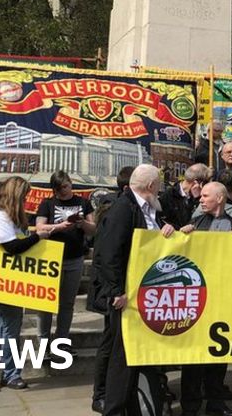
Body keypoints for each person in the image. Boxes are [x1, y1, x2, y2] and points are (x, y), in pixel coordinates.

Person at [0, 177, 70, 392]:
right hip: (4, 280)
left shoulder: (10, 217)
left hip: (13, 280)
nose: (26, 200)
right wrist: (38, 238)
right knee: (7, 329)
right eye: (24, 196)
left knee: (2, 328)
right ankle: (3, 373)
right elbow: (11, 246)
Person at [92, 164, 163, 415]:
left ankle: (133, 407)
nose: (161, 189)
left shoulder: (146, 208)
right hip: (125, 297)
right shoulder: (123, 209)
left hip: (141, 294)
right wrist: (115, 292)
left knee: (132, 358)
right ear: (151, 186)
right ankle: (114, 408)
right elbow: (109, 253)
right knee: (122, 358)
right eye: (159, 184)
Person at [177, 181, 232, 416]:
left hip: (222, 299)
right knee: (193, 357)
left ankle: (216, 403)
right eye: (201, 196)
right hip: (197, 300)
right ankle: (190, 407)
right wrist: (179, 236)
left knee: (218, 354)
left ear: (220, 198)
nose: (201, 199)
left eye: (206, 196)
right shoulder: (194, 224)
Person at [36, 171, 96, 355]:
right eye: (59, 189)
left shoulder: (83, 203)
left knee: (67, 303)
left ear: (70, 184)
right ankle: (43, 341)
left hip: (74, 257)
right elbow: (40, 226)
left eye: (66, 187)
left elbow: (93, 229)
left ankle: (62, 340)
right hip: (51, 258)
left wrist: (81, 224)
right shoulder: (47, 203)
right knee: (46, 303)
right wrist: (58, 227)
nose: (64, 192)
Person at [159, 163, 208, 229]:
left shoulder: (198, 197)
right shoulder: (169, 195)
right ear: (196, 182)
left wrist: (197, 199)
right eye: (205, 183)